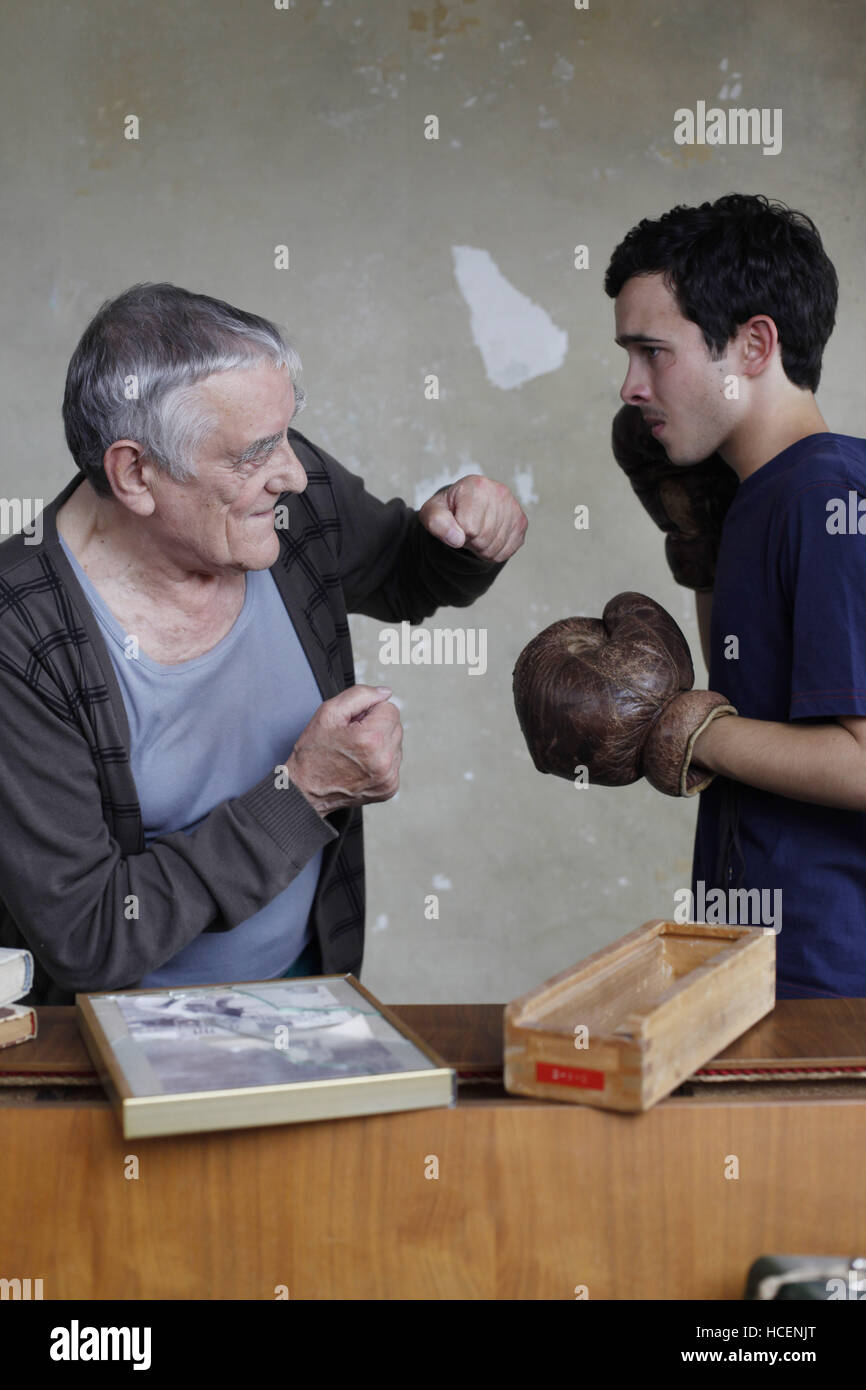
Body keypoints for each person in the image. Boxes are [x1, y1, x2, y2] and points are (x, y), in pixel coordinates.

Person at [0, 283, 527, 1005]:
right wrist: (301, 796)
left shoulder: (290, 498)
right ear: (135, 473)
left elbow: (404, 575)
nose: (295, 473)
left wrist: (466, 532)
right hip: (116, 1033)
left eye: (288, 433)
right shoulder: (19, 633)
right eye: (254, 453)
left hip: (307, 983)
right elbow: (91, 935)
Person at [605, 192, 866, 998]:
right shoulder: (758, 496)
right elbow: (750, 701)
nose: (630, 386)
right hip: (753, 956)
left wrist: (683, 728)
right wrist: (701, 551)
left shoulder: (827, 498)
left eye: (654, 352)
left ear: (754, 344)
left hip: (835, 982)